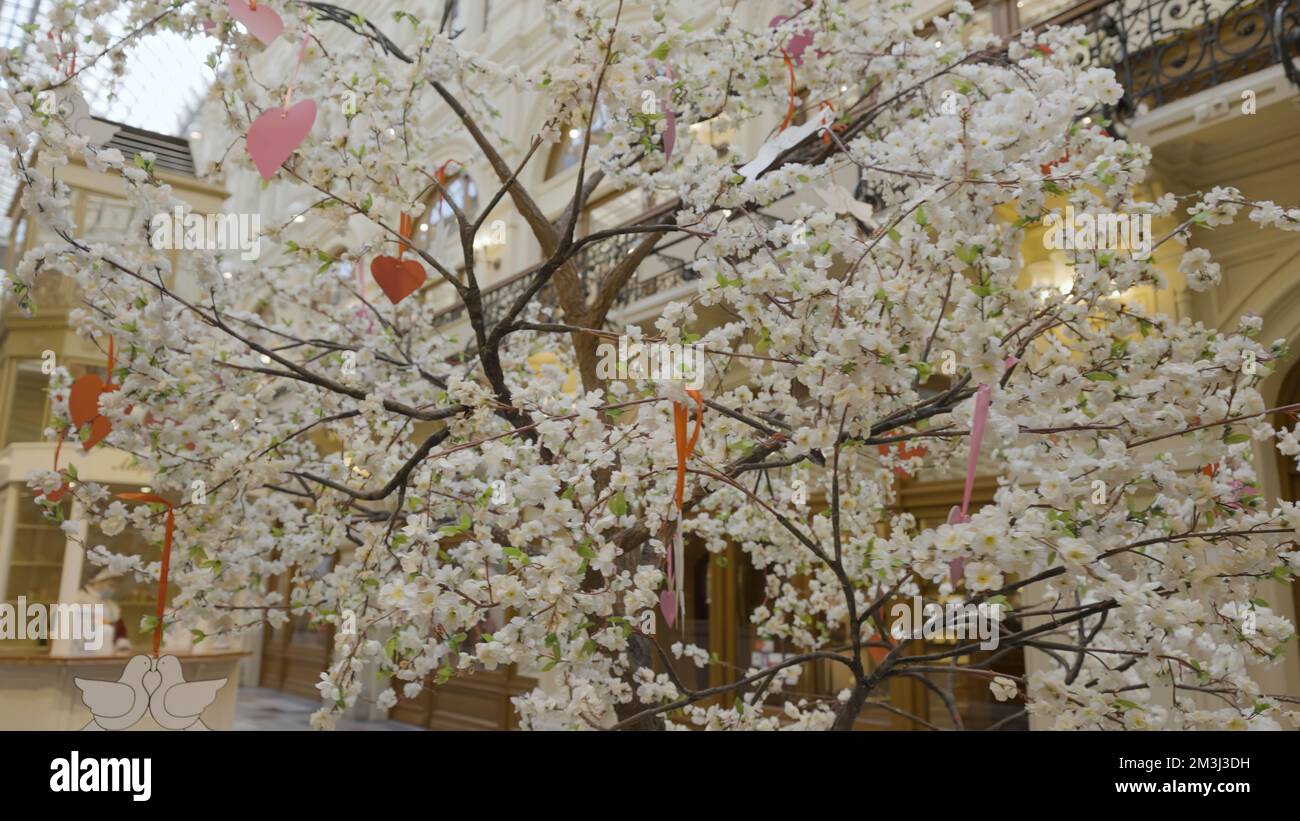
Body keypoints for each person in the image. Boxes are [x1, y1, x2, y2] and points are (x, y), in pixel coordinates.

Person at [67, 569, 131, 656]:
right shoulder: (78, 599)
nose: (114, 589)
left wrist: (122, 644)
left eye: (116, 586)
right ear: (98, 582)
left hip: (104, 655)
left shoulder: (112, 606)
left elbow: (120, 632)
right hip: (78, 654)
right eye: (111, 585)